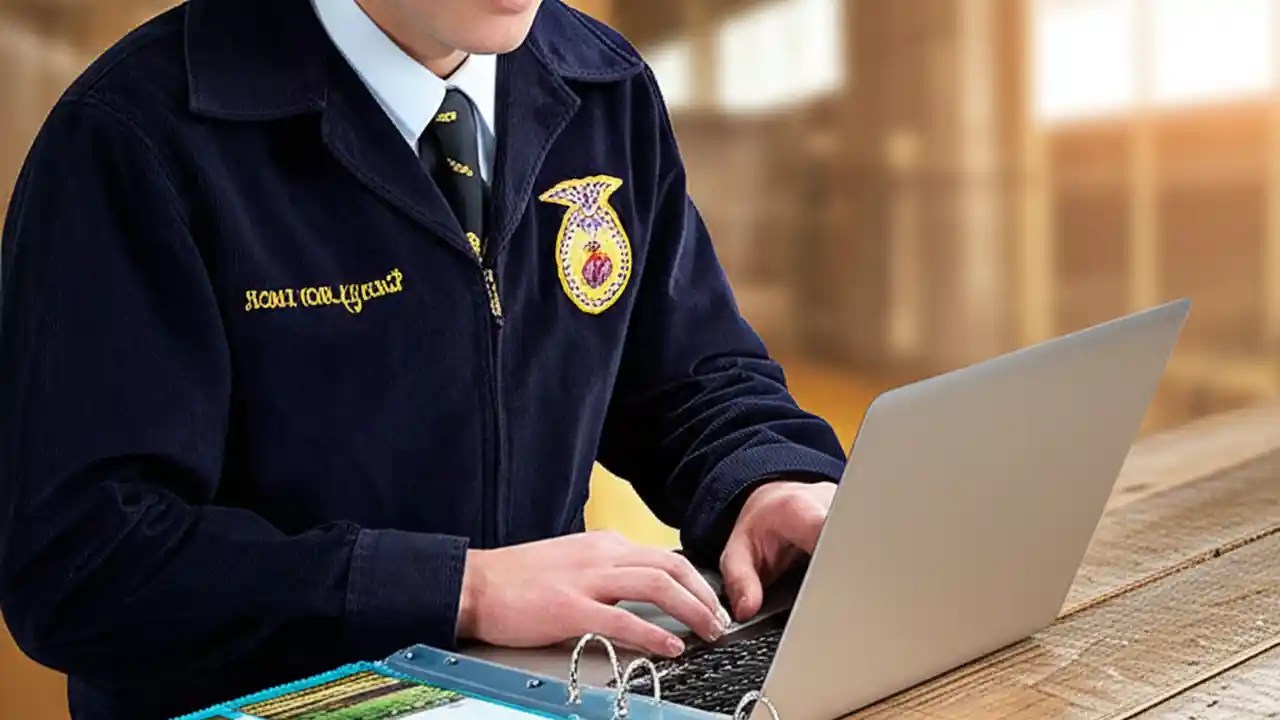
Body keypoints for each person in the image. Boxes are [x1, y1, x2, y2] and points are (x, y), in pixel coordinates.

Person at [0, 0, 847, 717]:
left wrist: (762, 479)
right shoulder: (129, 139)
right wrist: (458, 592)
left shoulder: (602, 89)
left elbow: (691, 379)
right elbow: (82, 563)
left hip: (540, 690)